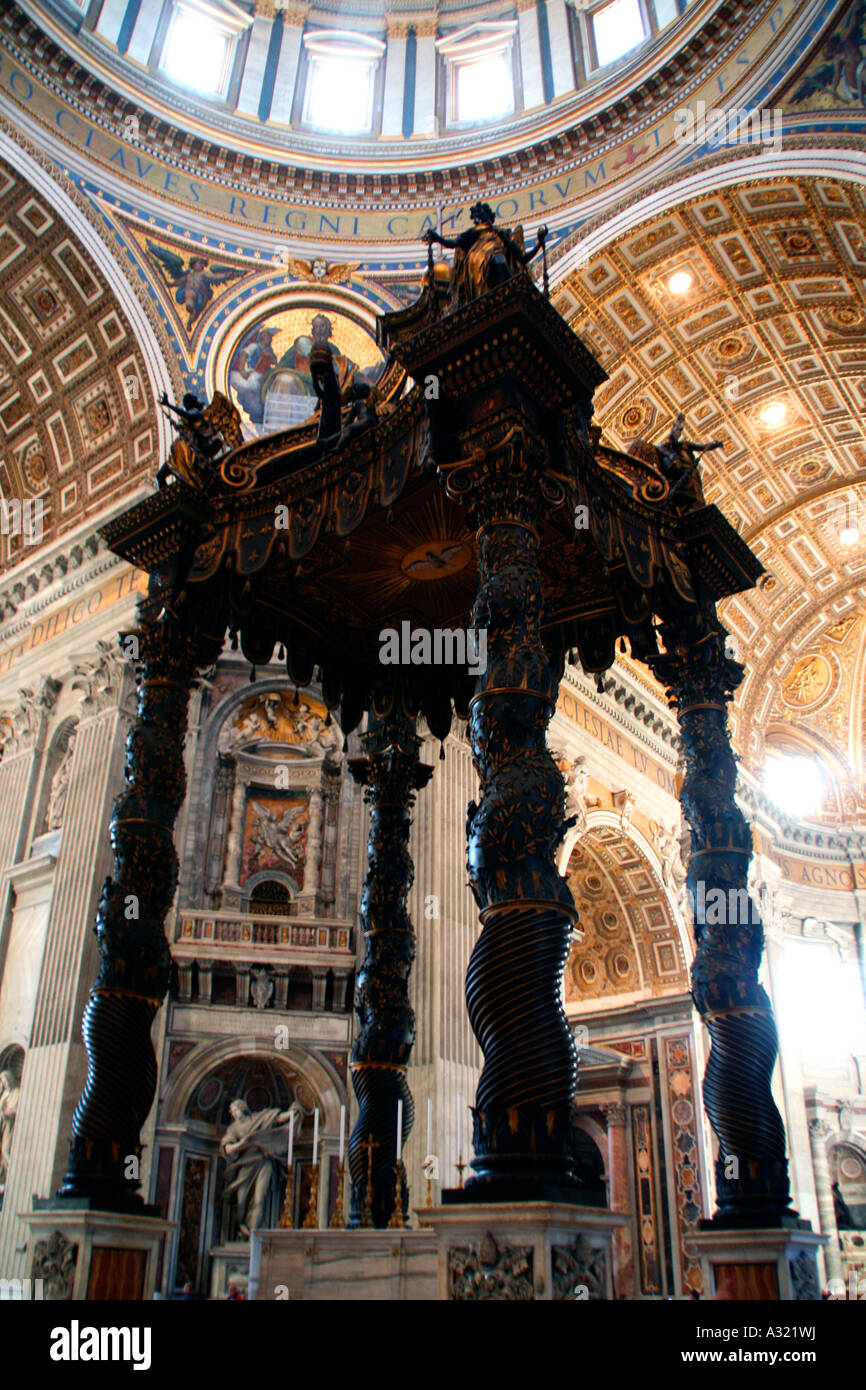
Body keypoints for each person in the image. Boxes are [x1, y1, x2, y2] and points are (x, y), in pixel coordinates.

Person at [424, 202, 548, 309]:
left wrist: (539, 244)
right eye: (479, 217)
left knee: (499, 260)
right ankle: (511, 292)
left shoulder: (500, 233)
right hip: (476, 260)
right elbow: (452, 243)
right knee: (497, 259)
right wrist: (437, 238)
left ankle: (513, 293)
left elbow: (523, 258)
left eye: (483, 215)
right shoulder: (472, 235)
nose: (481, 219)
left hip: (493, 255)